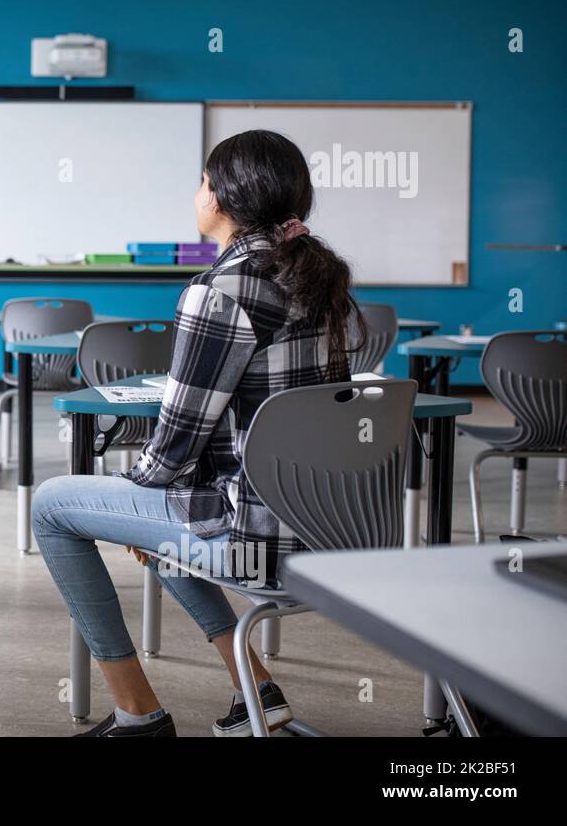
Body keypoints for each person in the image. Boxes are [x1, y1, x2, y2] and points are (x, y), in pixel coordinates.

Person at [33, 129, 364, 736]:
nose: (197, 193)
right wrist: (152, 504)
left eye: (202, 182)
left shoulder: (221, 291)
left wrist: (141, 494)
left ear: (222, 199)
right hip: (332, 530)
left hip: (258, 548)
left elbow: (175, 443)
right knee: (170, 515)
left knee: (52, 505)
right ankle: (257, 692)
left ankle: (138, 715)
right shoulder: (321, 285)